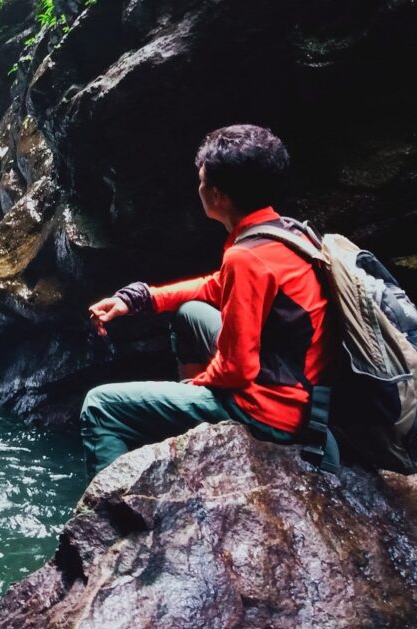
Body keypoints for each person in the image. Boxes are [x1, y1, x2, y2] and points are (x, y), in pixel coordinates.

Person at [81, 124, 332, 482]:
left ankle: (112, 507)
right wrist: (137, 299)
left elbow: (236, 370)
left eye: (201, 181)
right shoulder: (286, 232)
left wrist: (194, 387)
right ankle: (193, 431)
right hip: (302, 389)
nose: (198, 188)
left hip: (271, 411)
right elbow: (214, 287)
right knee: (188, 314)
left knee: (100, 406)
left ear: (218, 196)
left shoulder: (246, 257)